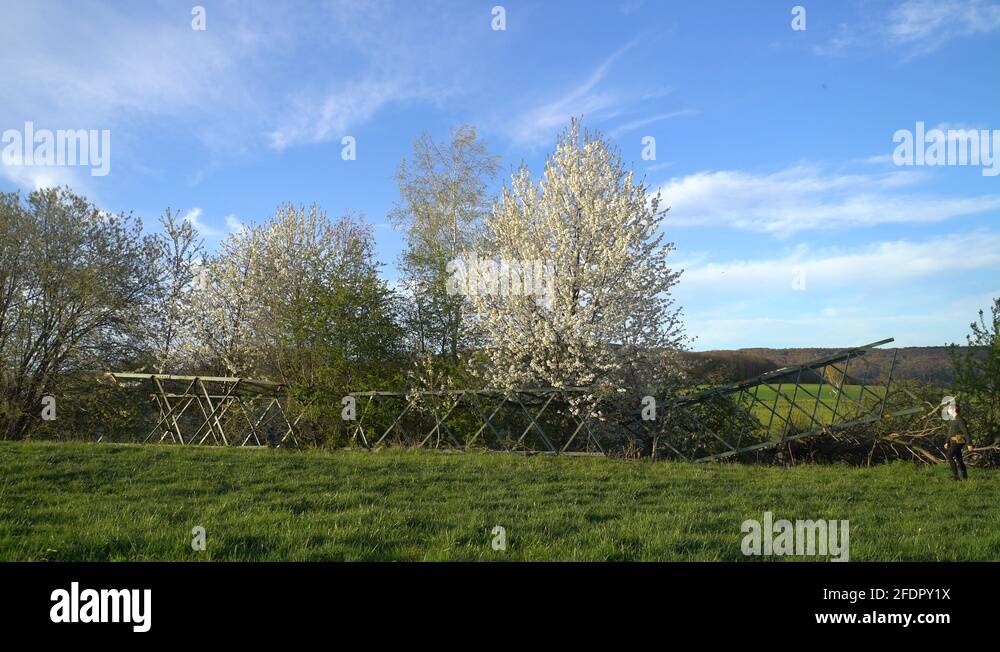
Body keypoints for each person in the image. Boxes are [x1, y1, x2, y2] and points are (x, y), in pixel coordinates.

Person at [943, 400, 974, 480]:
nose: (948, 410)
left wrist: (969, 444)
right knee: (959, 459)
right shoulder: (953, 419)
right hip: (953, 441)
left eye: (950, 408)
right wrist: (947, 442)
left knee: (949, 455)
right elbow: (950, 432)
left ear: (954, 409)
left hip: (958, 441)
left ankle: (955, 476)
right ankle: (965, 477)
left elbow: (965, 432)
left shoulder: (960, 420)